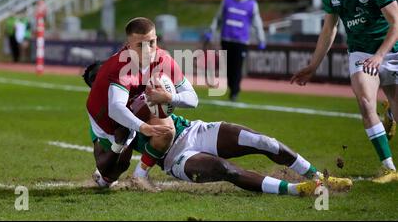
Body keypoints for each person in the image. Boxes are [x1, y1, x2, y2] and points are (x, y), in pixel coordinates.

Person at [291, 0, 398, 183]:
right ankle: (389, 168)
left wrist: (381, 56)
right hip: (361, 51)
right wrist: (314, 65)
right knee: (364, 101)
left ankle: (391, 114)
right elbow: (329, 29)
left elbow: (396, 24)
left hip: (391, 49)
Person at [121, 93, 353, 195]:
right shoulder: (113, 117)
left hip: (195, 130)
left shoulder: (148, 78)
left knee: (264, 141)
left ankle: (319, 179)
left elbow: (189, 96)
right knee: (225, 169)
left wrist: (170, 96)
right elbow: (115, 153)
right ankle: (296, 190)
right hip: (175, 159)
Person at [85, 17, 199, 191]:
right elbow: (115, 109)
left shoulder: (163, 59)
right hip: (105, 115)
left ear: (156, 40)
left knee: (167, 131)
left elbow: (193, 99)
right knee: (112, 172)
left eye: (151, 42)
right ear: (128, 45)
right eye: (140, 45)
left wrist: (169, 97)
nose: (148, 50)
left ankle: (140, 175)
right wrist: (143, 127)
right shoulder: (120, 66)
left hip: (133, 105)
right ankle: (105, 176)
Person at [210, 0, 267, 102]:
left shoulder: (252, 3)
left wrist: (261, 39)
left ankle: (235, 92)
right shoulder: (227, 0)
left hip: (241, 41)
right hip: (226, 39)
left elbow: (257, 22)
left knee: (237, 67)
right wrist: (211, 31)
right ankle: (232, 87)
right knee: (228, 67)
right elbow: (218, 18)